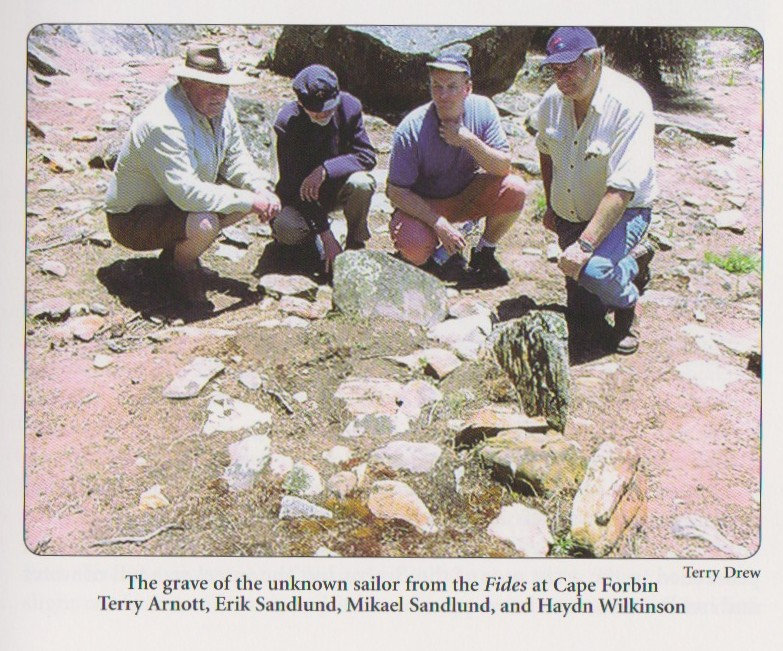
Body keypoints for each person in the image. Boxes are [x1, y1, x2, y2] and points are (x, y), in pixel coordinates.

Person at [105, 43, 280, 306]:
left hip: (172, 204)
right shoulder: (163, 123)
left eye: (224, 86)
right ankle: (179, 270)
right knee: (205, 223)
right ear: (186, 82)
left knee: (245, 196)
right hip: (132, 218)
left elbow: (236, 159)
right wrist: (249, 201)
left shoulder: (220, 109)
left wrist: (260, 188)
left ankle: (176, 254)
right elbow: (187, 195)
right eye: (210, 86)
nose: (219, 95)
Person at [536, 27, 657, 354]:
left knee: (593, 271)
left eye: (570, 67)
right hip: (570, 213)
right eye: (556, 69)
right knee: (584, 315)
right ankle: (632, 262)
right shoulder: (551, 101)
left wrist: (585, 246)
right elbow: (546, 152)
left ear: (597, 60)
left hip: (622, 212)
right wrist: (550, 205)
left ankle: (629, 304)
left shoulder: (629, 103)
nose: (562, 78)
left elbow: (622, 189)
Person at [386, 53, 526, 285]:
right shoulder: (410, 129)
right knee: (414, 245)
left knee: (515, 189)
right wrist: (438, 223)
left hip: (466, 193)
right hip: (425, 204)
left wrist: (467, 140)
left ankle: (484, 252)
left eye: (452, 86)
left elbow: (502, 167)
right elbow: (396, 191)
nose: (443, 95)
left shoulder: (483, 109)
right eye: (437, 86)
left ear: (467, 88)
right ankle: (434, 262)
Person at [272, 64, 377, 273]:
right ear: (301, 103)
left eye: (329, 108)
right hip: (301, 198)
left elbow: (366, 156)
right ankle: (313, 243)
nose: (324, 114)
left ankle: (355, 241)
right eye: (316, 111)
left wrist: (325, 169)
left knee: (363, 183)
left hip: (336, 188)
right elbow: (292, 185)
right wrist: (325, 233)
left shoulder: (349, 107)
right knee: (286, 229)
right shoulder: (287, 123)